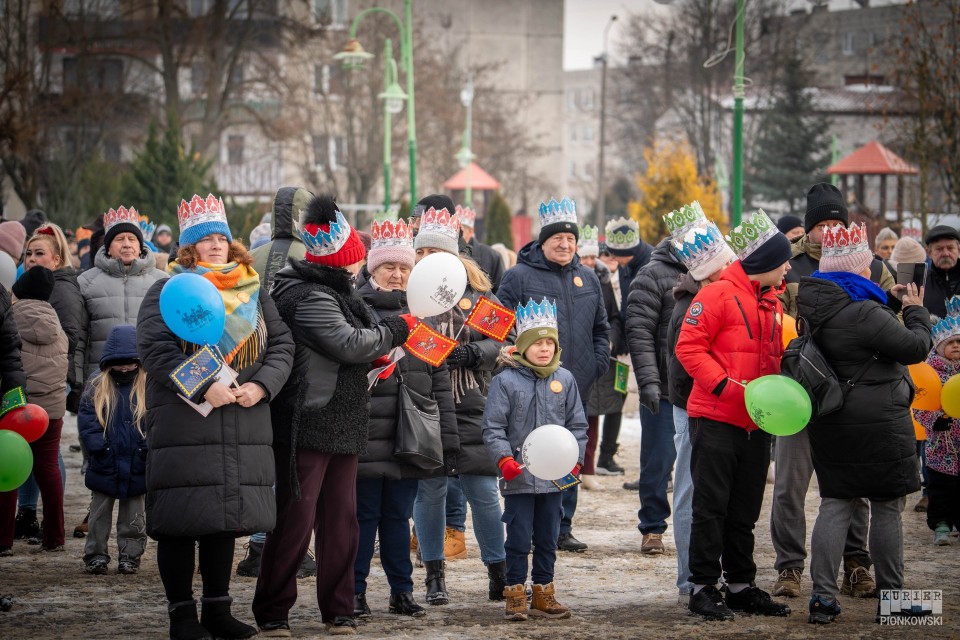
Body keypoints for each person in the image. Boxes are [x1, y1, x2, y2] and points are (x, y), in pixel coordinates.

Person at [253, 194, 413, 637]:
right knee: (295, 521)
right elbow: (349, 343)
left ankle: (339, 608)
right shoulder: (307, 294)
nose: (357, 270)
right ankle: (272, 610)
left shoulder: (335, 290)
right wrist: (396, 330)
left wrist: (378, 351)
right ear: (341, 261)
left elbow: (357, 346)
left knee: (341, 521)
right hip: (308, 419)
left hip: (341, 417)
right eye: (354, 262)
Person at [137, 193, 294, 640]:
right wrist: (206, 385)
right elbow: (155, 349)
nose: (214, 246)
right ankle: (182, 616)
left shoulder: (253, 289)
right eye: (204, 240)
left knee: (223, 518)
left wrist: (260, 385)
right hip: (187, 420)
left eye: (220, 239)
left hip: (243, 417)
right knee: (183, 518)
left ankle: (219, 610)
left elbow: (281, 345)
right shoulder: (168, 289)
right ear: (188, 247)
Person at [801, 223, 931, 624]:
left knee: (835, 505)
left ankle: (822, 599)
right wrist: (915, 311)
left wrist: (889, 306)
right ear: (860, 270)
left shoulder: (819, 303)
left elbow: (862, 339)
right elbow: (914, 347)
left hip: (833, 422)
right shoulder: (863, 311)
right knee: (888, 507)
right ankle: (895, 602)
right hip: (878, 424)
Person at [675, 209, 793, 621]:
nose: (788, 267)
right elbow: (688, 349)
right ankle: (703, 588)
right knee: (711, 506)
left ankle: (740, 585)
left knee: (745, 507)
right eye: (783, 260)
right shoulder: (715, 295)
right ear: (764, 263)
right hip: (716, 417)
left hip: (758, 421)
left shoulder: (772, 303)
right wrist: (724, 386)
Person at [771, 184, 887, 599]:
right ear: (809, 227)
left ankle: (855, 564)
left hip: (852, 394)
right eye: (822, 223)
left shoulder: (869, 262)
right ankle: (789, 568)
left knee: (850, 484)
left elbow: (885, 314)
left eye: (837, 222)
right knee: (789, 485)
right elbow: (773, 318)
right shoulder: (789, 263)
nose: (829, 231)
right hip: (798, 393)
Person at [352, 215, 459, 618]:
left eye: (403, 267)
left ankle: (401, 592)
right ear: (372, 268)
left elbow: (438, 380)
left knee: (398, 518)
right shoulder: (355, 311)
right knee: (362, 520)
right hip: (364, 432)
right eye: (388, 266)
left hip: (409, 433)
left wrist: (447, 440)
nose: (397, 275)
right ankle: (355, 592)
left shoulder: (424, 313)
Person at [497, 197, 609, 553]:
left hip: (575, 385)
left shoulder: (588, 277)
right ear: (542, 241)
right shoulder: (518, 276)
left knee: (570, 449)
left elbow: (601, 329)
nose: (564, 244)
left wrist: (597, 363)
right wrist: (517, 366)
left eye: (571, 239)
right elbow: (500, 327)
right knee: (530, 451)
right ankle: (527, 524)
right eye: (557, 238)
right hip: (527, 386)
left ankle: (562, 525)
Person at [407, 207, 507, 605]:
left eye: (436, 251)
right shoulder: (408, 293)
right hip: (423, 404)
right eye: (422, 252)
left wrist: (471, 353)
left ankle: (498, 572)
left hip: (469, 401)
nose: (428, 259)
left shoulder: (476, 293)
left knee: (482, 490)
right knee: (429, 492)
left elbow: (502, 338)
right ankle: (434, 575)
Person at [481, 298, 588, 621]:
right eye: (537, 343)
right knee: (518, 536)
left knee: (547, 536)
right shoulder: (505, 381)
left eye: (549, 343)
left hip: (556, 478)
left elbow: (577, 425)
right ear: (523, 345)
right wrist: (503, 460)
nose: (543, 349)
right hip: (519, 477)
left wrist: (576, 460)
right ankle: (515, 591)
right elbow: (493, 427)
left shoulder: (565, 380)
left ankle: (544, 591)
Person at [237, 186, 316, 580]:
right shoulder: (311, 258)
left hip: (257, 370)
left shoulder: (254, 257)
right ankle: (295, 548)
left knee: (264, 464)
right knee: (296, 467)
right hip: (302, 373)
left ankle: (257, 545)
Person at [665, 217, 736, 603]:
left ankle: (709, 574)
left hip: (716, 406)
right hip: (694, 407)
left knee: (713, 494)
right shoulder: (690, 303)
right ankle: (690, 579)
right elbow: (684, 362)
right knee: (692, 494)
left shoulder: (722, 295)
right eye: (729, 264)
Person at [624, 211, 689, 556]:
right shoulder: (652, 274)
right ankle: (652, 526)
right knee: (658, 461)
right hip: (663, 387)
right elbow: (639, 333)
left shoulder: (714, 273)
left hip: (701, 387)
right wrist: (648, 381)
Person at [17, 223, 86, 540]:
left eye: (39, 253)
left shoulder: (62, 290)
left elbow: (70, 337)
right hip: (32, 377)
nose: (31, 258)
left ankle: (43, 520)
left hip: (52, 379)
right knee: (29, 451)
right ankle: (29, 512)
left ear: (57, 259)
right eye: (28, 253)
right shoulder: (30, 286)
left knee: (46, 455)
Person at [0, 266, 67, 554]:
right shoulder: (57, 324)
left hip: (17, 407)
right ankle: (55, 536)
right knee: (49, 469)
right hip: (51, 410)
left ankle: (2, 540)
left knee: (8, 470)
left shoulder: (11, 318)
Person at [77, 325, 148, 575]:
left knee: (134, 515)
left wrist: (146, 448)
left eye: (130, 363)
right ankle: (95, 553)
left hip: (138, 462)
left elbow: (156, 422)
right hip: (104, 461)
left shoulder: (146, 386)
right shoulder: (97, 384)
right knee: (98, 514)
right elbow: (87, 419)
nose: (125, 368)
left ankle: (130, 555)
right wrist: (99, 448)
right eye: (119, 364)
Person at [79, 206, 169, 382]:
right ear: (108, 247)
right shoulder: (85, 283)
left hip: (149, 380)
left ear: (140, 246)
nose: (127, 244)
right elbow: (79, 339)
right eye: (120, 239)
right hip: (100, 379)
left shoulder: (162, 283)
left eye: (132, 239)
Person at [577, 226, 625, 486]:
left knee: (594, 414)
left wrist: (610, 340)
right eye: (583, 257)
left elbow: (614, 317)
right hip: (574, 354)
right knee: (579, 415)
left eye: (591, 257)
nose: (588, 262)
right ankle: (578, 467)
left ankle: (590, 469)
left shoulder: (603, 279)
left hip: (600, 355)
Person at [913, 297, 960, 546]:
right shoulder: (930, 371)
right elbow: (920, 404)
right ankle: (941, 524)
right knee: (941, 487)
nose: (956, 346)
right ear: (939, 345)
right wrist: (933, 420)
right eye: (950, 342)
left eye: (959, 341)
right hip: (940, 446)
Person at [456, 205, 505, 293]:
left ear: (470, 231)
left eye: (460, 230)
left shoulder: (491, 256)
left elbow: (501, 291)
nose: (456, 234)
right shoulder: (447, 254)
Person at [922, 225, 960, 319]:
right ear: (929, 253)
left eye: (950, 248)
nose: (945, 254)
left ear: (959, 250)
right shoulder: (921, 284)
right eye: (939, 249)